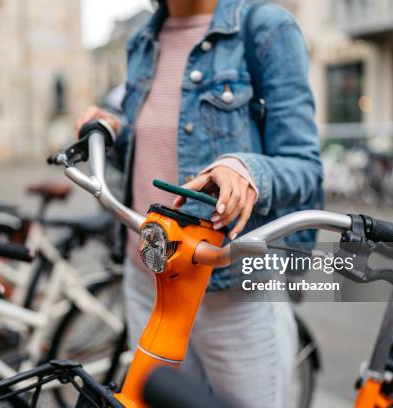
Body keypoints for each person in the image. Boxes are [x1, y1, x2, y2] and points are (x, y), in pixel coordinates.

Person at [77, 0, 322, 406]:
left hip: (231, 290)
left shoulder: (266, 27)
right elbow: (158, 146)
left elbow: (304, 165)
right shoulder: (142, 39)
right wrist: (112, 131)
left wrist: (245, 170)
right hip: (148, 277)